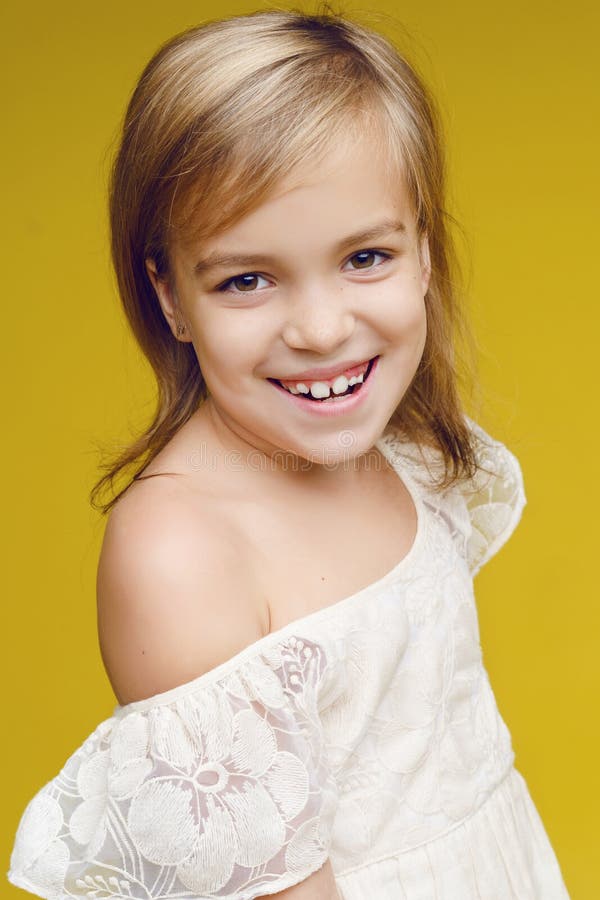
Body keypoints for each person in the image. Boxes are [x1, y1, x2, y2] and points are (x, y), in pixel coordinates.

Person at [7, 8, 571, 899]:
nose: (320, 330)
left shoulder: (403, 454)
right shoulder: (181, 554)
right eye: (247, 279)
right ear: (170, 295)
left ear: (424, 250)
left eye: (366, 257)